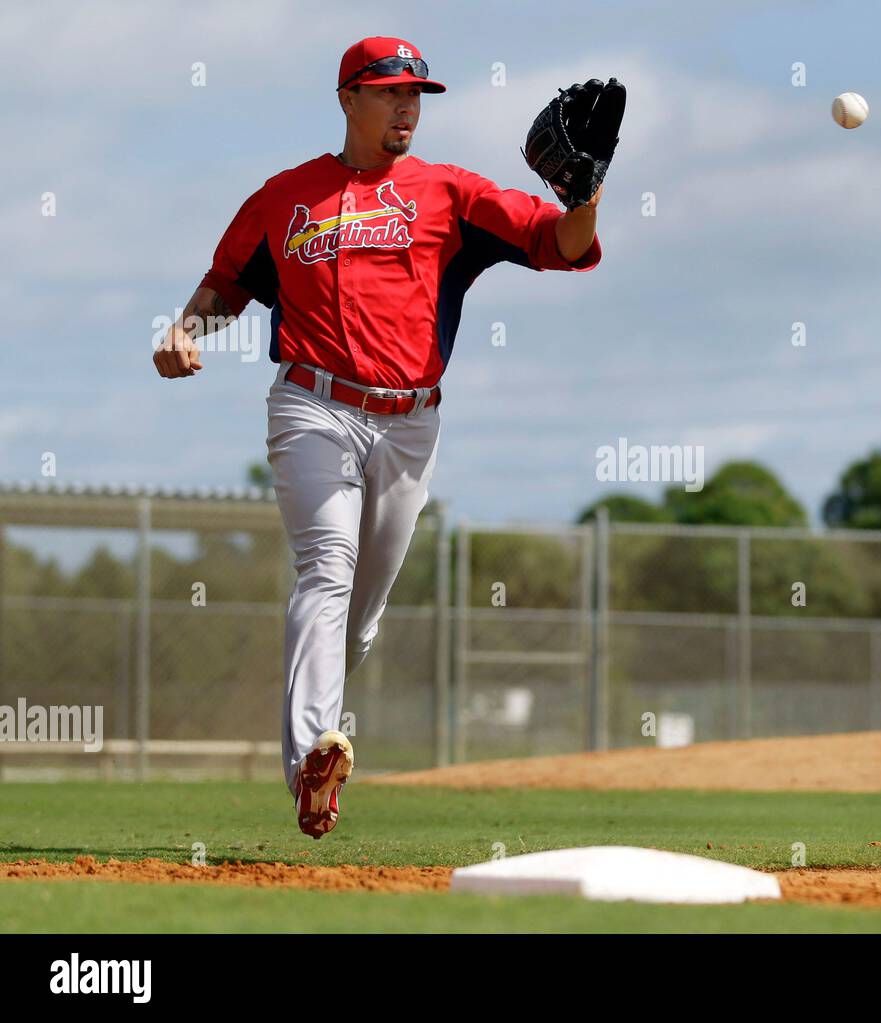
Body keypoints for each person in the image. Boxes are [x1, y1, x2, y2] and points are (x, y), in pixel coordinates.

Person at [151, 36, 604, 836]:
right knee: (326, 568)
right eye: (391, 90)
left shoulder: (450, 193)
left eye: (417, 92)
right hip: (312, 406)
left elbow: (564, 247)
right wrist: (187, 330)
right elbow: (227, 284)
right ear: (348, 97)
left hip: (409, 423)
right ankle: (310, 766)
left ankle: (321, 724)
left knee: (359, 616)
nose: (408, 106)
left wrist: (587, 192)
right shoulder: (284, 197)